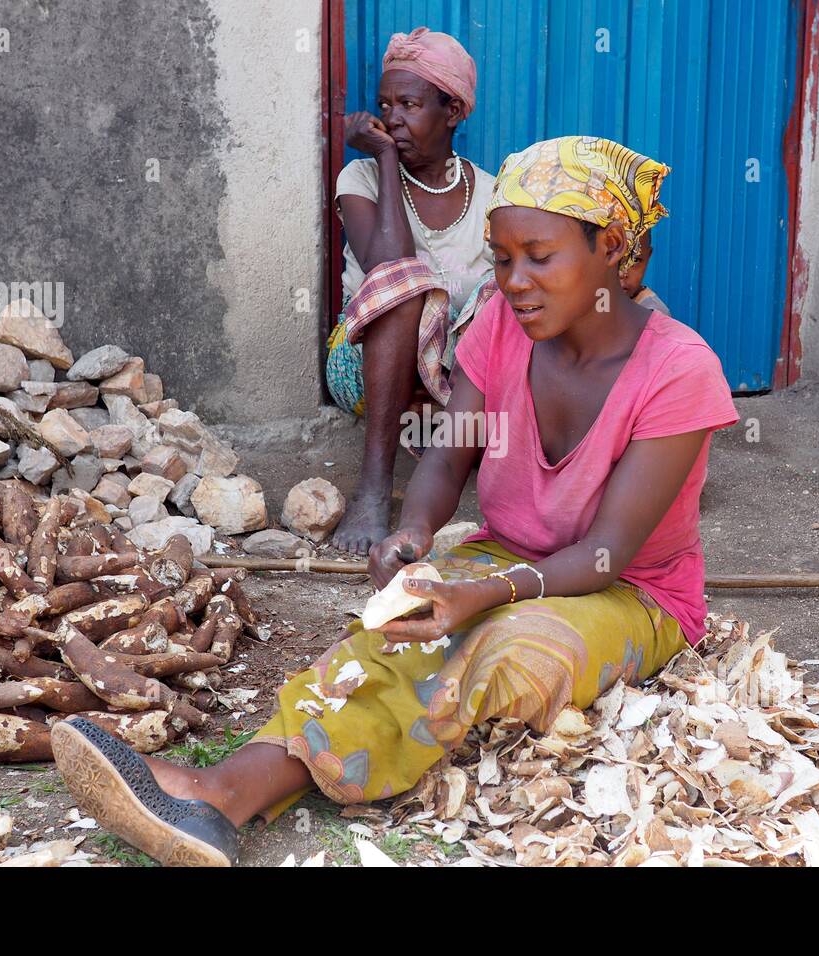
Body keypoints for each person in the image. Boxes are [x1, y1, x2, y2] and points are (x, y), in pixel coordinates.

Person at [50, 135, 740, 867]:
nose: (516, 281)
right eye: (502, 259)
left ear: (611, 250)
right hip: (502, 560)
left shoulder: (679, 371)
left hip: (633, 594)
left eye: (541, 256)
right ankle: (218, 795)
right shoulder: (502, 329)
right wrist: (414, 534)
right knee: (385, 643)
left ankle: (219, 795)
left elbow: (606, 554)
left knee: (504, 649)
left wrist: (482, 596)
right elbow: (448, 456)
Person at [326, 27, 497, 555]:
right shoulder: (361, 178)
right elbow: (386, 267)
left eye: (409, 104)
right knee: (407, 282)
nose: (391, 117)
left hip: (457, 382)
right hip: (364, 368)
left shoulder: (493, 194)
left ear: (452, 112)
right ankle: (375, 486)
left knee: (499, 291)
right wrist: (383, 157)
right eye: (383, 104)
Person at [619, 228, 672, 313]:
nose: (622, 273)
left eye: (635, 260)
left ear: (648, 256)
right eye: (615, 260)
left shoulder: (652, 316)